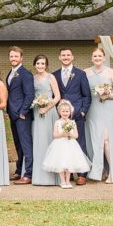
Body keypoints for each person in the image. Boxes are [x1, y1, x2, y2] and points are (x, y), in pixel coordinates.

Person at [84, 48, 113, 183]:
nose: (97, 58)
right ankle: (99, 170)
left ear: (104, 58)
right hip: (93, 109)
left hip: (108, 108)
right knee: (95, 140)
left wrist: (107, 95)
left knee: (107, 140)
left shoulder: (111, 72)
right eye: (95, 56)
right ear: (91, 58)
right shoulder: (85, 72)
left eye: (99, 56)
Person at [52, 48, 92, 185]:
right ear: (59, 57)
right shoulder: (55, 75)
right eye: (63, 55)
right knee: (63, 146)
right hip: (61, 115)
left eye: (68, 55)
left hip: (77, 115)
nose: (66, 57)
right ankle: (66, 172)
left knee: (79, 143)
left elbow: (87, 95)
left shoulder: (80, 74)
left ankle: (82, 174)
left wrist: (83, 111)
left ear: (72, 57)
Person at [42, 100, 92, 188]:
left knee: (69, 163)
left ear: (70, 112)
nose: (65, 113)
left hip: (70, 144)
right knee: (61, 163)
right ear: (59, 112)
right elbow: (55, 135)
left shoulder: (72, 122)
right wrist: (62, 134)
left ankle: (68, 181)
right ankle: (62, 181)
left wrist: (70, 134)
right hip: (60, 145)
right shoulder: (57, 122)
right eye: (63, 111)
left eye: (67, 111)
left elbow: (76, 135)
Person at [31, 54, 61, 186]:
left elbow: (57, 96)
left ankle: (53, 176)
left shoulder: (51, 77)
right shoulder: (32, 78)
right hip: (37, 112)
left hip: (49, 113)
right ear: (34, 65)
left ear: (46, 65)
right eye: (38, 63)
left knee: (50, 141)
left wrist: (47, 108)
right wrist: (38, 106)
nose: (40, 66)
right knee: (38, 141)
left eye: (42, 64)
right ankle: (39, 176)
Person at [6, 46, 34, 184]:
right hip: (12, 115)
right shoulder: (10, 73)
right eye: (11, 56)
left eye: (16, 56)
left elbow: (29, 95)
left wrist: (23, 112)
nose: (13, 59)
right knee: (18, 145)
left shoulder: (26, 74)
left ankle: (28, 174)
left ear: (21, 58)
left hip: (22, 116)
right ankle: (19, 170)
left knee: (26, 144)